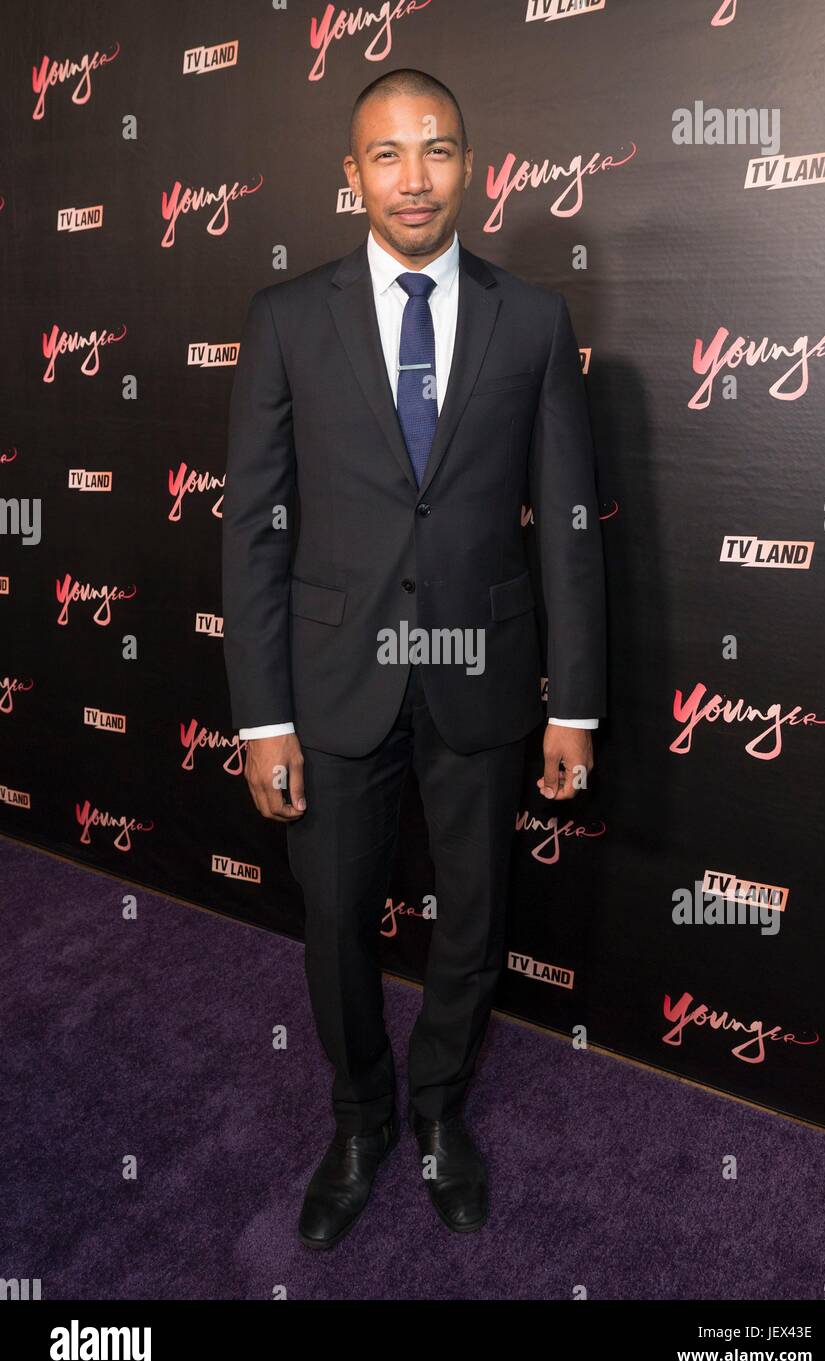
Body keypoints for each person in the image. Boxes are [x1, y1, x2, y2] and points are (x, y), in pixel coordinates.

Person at [221, 68, 606, 1250]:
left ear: (472, 167)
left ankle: (438, 1110)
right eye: (386, 155)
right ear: (352, 178)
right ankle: (359, 1117)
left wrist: (575, 704)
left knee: (473, 914)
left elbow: (570, 523)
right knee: (335, 917)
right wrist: (262, 716)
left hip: (481, 675)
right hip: (335, 684)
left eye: (435, 150)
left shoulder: (532, 320)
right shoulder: (287, 318)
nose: (412, 177)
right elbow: (255, 529)